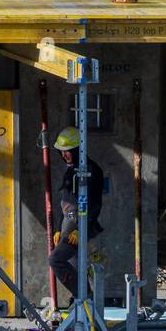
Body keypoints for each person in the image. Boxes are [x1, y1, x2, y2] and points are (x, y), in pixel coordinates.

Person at [47, 126, 105, 304]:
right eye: (61, 152)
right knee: (73, 265)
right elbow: (63, 203)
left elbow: (94, 205)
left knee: (56, 260)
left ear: (77, 150)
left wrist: (82, 230)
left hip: (80, 229)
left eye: (67, 152)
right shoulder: (71, 170)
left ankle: (84, 298)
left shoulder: (91, 171)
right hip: (68, 227)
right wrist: (58, 229)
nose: (64, 156)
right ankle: (79, 299)